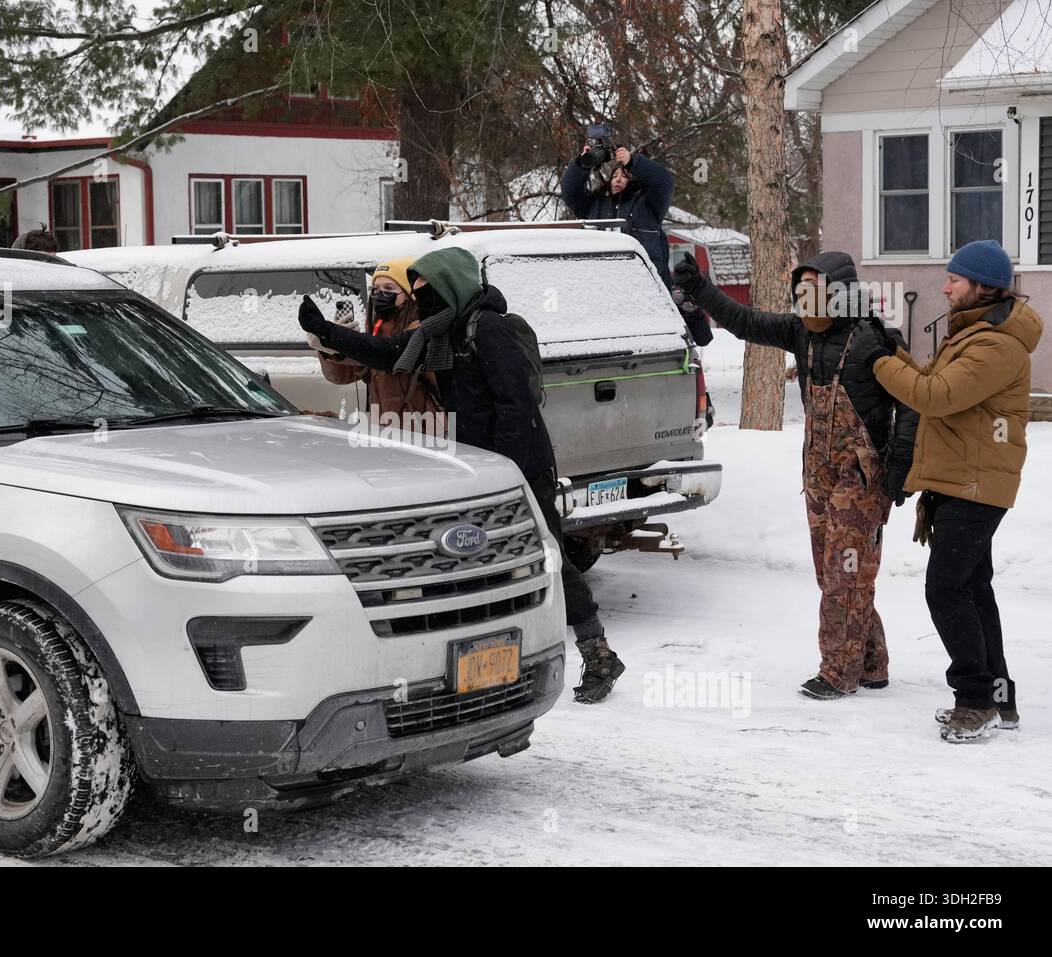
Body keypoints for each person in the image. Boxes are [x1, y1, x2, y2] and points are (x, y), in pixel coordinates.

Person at [297, 246, 625, 704]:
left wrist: (505, 474)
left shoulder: (488, 329)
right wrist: (326, 331)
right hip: (474, 472)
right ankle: (485, 665)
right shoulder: (440, 331)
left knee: (548, 556)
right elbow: (388, 353)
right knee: (479, 566)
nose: (419, 296)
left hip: (518, 470)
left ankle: (599, 652)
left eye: (425, 288)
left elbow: (517, 406)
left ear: (449, 284)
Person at [672, 250, 919, 700]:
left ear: (839, 294)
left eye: (815, 292)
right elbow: (745, 322)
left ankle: (837, 673)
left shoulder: (874, 340)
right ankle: (871, 662)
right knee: (835, 574)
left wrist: (900, 467)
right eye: (801, 292)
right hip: (818, 474)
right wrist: (700, 289)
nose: (807, 301)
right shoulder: (799, 332)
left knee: (846, 575)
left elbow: (914, 400)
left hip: (861, 479)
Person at [844, 239, 1043, 742]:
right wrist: (893, 351)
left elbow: (934, 397)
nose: (946, 287)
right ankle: (999, 698)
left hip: (975, 485)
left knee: (946, 589)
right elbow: (933, 380)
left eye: (954, 279)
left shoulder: (996, 345)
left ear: (982, 286)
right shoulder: (975, 333)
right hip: (965, 480)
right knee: (973, 589)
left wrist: (877, 363)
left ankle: (975, 701)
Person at [561, 142, 713, 347]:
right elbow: (569, 191)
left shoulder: (648, 205)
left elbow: (664, 182)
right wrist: (581, 164)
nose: (618, 179)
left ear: (634, 181)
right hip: (599, 292)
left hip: (646, 292)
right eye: (614, 176)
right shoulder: (593, 206)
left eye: (624, 176)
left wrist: (632, 162)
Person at [306, 257, 442, 431]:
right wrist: (330, 350)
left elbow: (387, 354)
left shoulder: (423, 328)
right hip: (384, 427)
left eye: (389, 288)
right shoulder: (376, 328)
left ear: (410, 293)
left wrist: (338, 342)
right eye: (375, 289)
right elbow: (342, 376)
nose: (380, 295)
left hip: (424, 429)